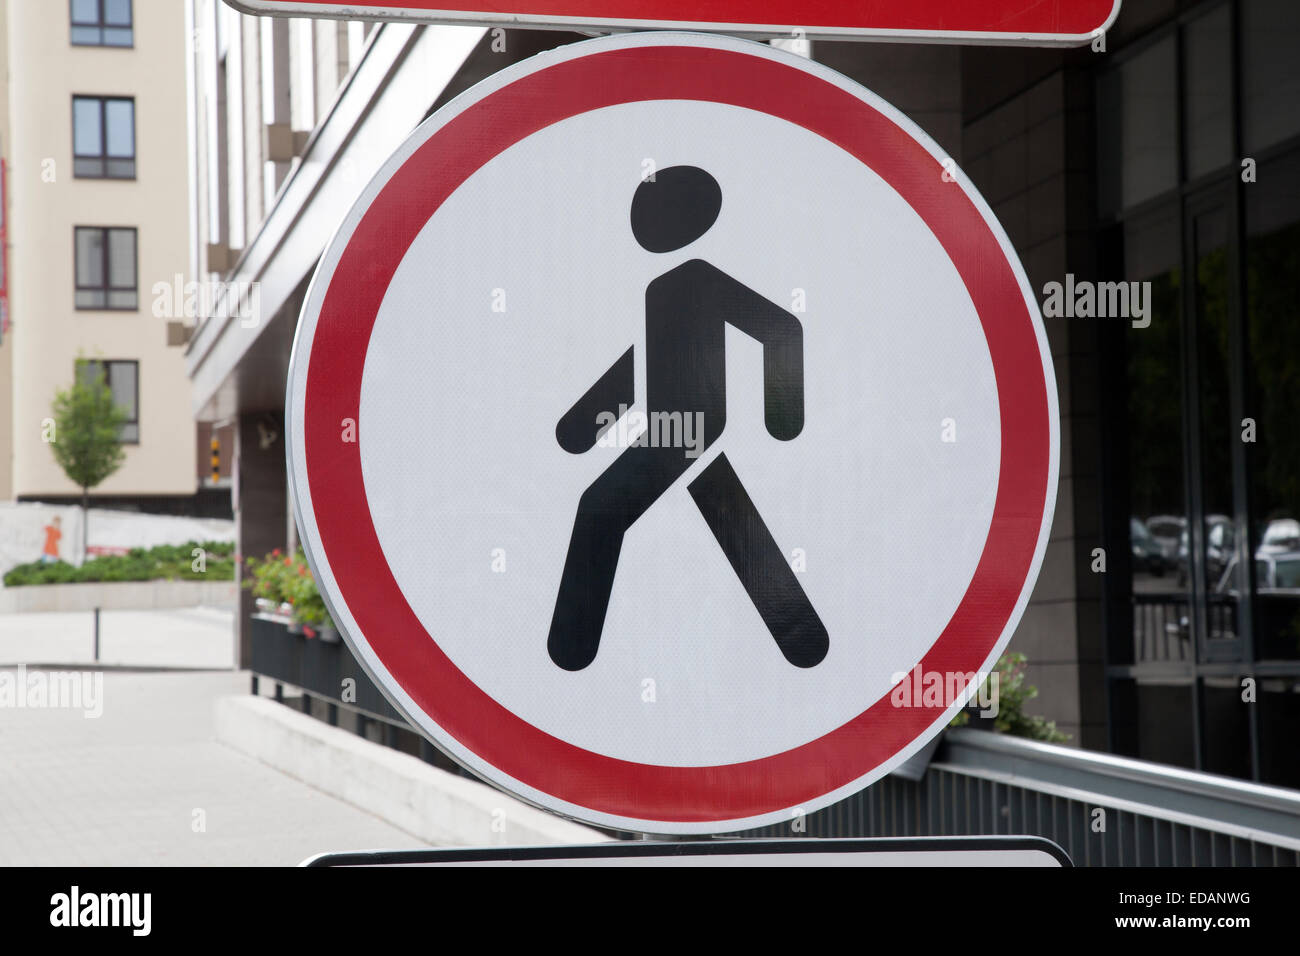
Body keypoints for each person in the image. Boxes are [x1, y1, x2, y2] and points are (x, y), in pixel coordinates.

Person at [548, 166, 828, 672]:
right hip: (676, 426)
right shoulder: (661, 289)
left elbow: (782, 329)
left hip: (691, 425)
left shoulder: (698, 278)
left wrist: (783, 416)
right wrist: (584, 424)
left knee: (600, 509)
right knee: (728, 512)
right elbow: (642, 364)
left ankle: (571, 649)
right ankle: (803, 640)